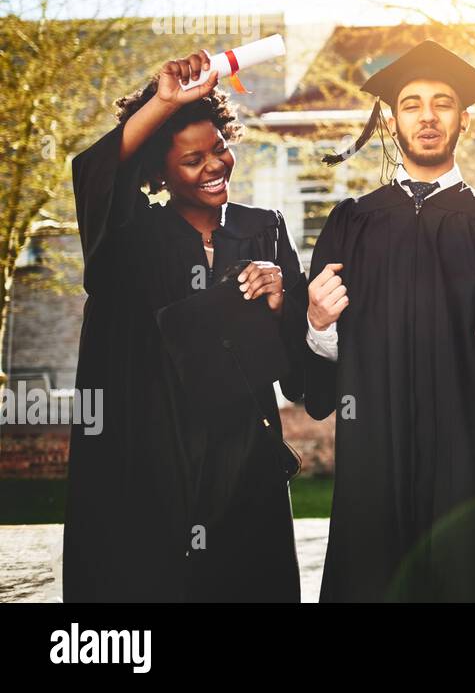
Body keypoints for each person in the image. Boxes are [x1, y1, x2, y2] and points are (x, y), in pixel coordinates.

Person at [302, 39, 475, 602]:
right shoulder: (352, 223)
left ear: (464, 117)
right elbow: (316, 364)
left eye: (442, 103)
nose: (427, 115)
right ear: (392, 120)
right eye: (412, 103)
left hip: (459, 452)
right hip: (372, 449)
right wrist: (318, 326)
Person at [67, 51, 305, 602]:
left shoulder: (262, 229)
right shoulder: (133, 239)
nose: (215, 166)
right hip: (154, 453)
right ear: (158, 173)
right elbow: (96, 175)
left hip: (245, 451)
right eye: (192, 159)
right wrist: (164, 102)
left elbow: (298, 354)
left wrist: (278, 302)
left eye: (219, 148)